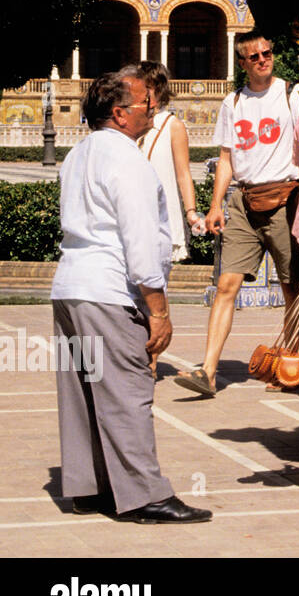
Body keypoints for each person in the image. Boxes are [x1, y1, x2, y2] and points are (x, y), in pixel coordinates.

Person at [51, 69, 212, 523]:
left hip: (71, 288)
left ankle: (91, 487)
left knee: (84, 392)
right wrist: (158, 310)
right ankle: (143, 495)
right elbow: (140, 241)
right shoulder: (128, 160)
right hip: (108, 290)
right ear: (120, 114)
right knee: (127, 392)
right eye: (146, 104)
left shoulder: (79, 153)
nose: (154, 110)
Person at [174, 30, 299, 398]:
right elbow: (228, 158)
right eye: (254, 56)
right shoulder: (234, 102)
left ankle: (293, 365)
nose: (263, 59)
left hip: (284, 197)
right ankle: (209, 370)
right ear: (242, 62)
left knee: (290, 285)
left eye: (267, 52)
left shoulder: (290, 95)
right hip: (243, 202)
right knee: (225, 286)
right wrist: (216, 204)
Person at [136, 60, 206, 379]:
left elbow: (182, 173)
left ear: (158, 90)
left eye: (144, 87)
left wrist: (191, 213)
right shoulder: (128, 122)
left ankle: (150, 359)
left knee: (157, 288)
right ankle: (134, 353)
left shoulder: (171, 125)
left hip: (162, 219)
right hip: (132, 215)